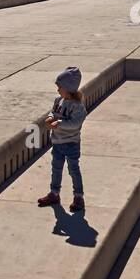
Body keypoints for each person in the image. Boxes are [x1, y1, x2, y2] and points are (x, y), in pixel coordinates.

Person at [37, 66, 87, 212]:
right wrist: (51, 117)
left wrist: (57, 124)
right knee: (56, 168)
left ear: (69, 88)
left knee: (73, 169)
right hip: (57, 142)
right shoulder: (59, 100)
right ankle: (54, 193)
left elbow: (75, 124)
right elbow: (53, 111)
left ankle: (78, 197)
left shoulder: (78, 107)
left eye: (60, 87)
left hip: (71, 143)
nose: (58, 90)